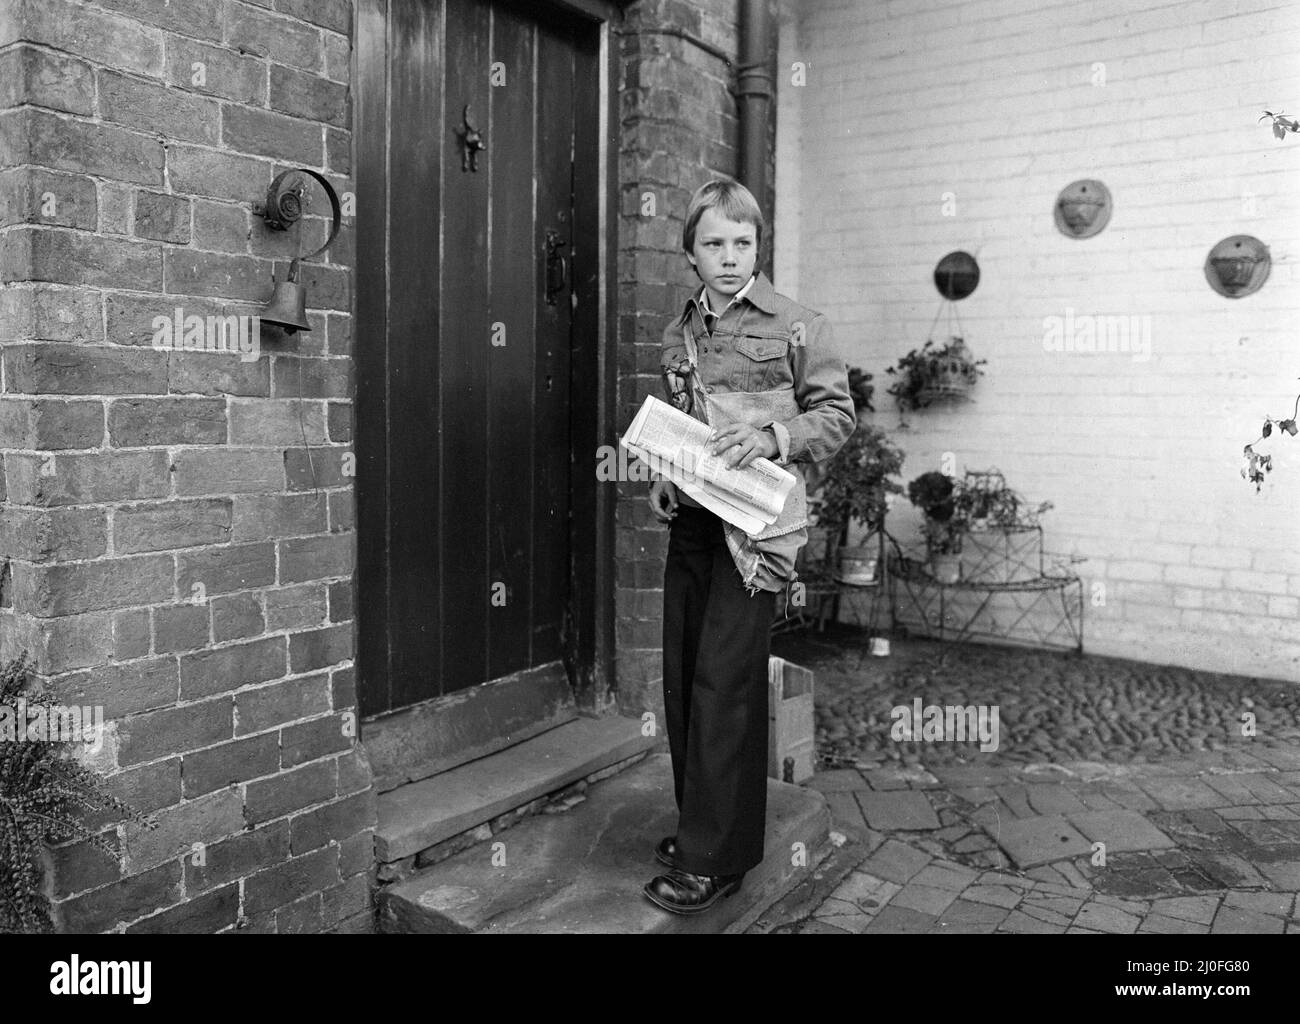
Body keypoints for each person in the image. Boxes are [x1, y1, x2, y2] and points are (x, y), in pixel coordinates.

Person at [642, 178, 855, 914]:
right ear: (690, 253)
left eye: (743, 243)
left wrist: (772, 435)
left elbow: (836, 416)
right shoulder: (680, 334)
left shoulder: (799, 325)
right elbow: (681, 424)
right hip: (695, 524)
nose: (730, 258)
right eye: (714, 244)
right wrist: (663, 479)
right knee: (683, 678)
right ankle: (703, 826)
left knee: (724, 687)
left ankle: (716, 860)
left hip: (756, 531)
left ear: (758, 248)